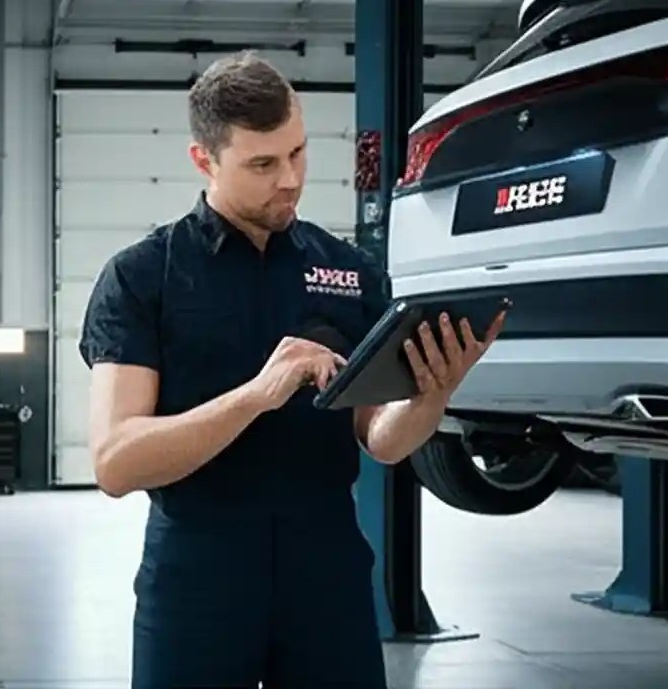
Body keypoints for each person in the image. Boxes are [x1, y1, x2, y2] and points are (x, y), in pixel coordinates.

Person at [78, 51, 506, 688]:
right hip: (197, 573)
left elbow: (381, 441)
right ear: (205, 161)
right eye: (263, 164)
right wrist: (254, 396)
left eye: (299, 153)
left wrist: (430, 396)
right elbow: (115, 463)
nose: (290, 179)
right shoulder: (144, 277)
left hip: (325, 569)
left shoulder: (348, 271)